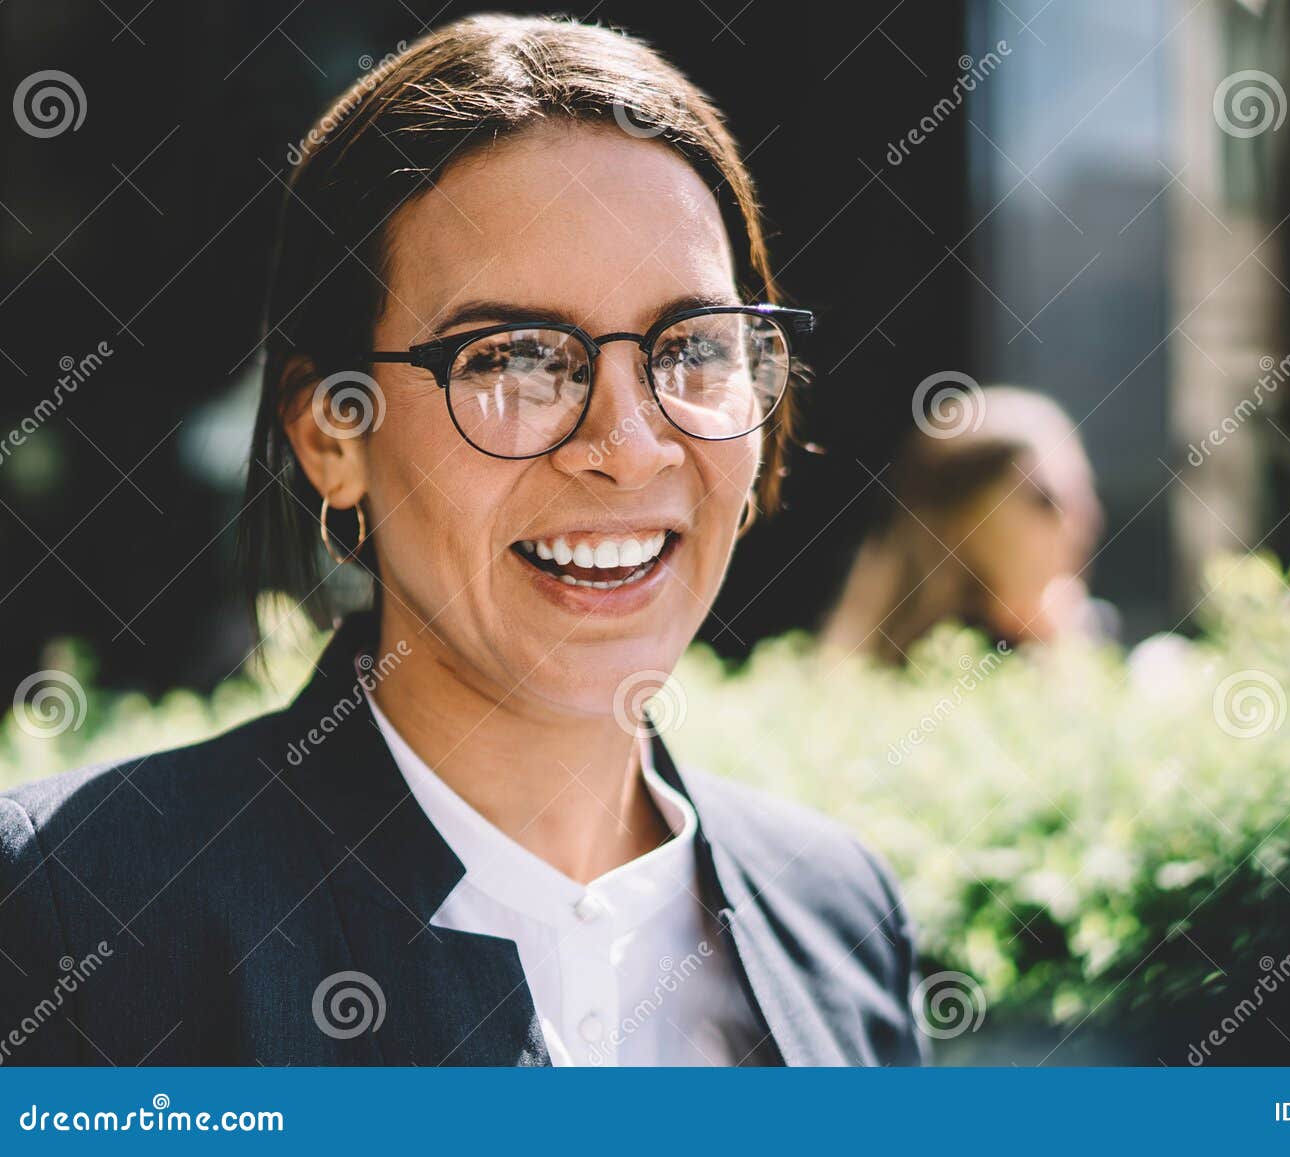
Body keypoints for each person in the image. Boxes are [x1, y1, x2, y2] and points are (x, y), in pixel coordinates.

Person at [0, 15, 923, 1067]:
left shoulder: (838, 914)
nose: (626, 447)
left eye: (693, 346)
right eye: (517, 357)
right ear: (332, 431)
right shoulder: (83, 912)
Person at [822, 385, 1107, 664]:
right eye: (1045, 498)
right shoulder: (906, 671)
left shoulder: (1075, 641)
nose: (1082, 519)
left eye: (1085, 492)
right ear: (961, 521)